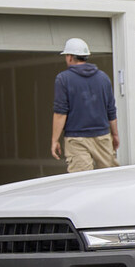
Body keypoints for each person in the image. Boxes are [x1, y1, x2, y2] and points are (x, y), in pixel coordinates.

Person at [51, 38, 120, 172]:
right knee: (110, 179)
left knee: (82, 183)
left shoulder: (63, 79)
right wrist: (115, 134)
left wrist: (55, 140)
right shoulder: (103, 77)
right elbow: (111, 110)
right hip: (103, 137)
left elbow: (60, 113)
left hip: (77, 140)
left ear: (70, 57)